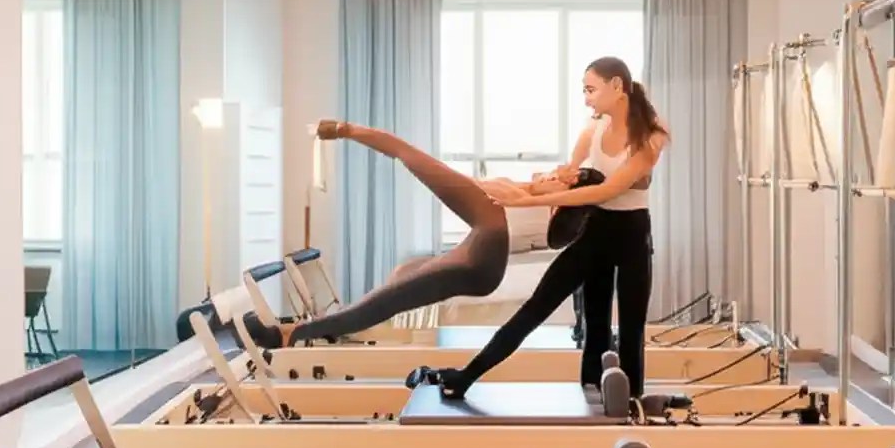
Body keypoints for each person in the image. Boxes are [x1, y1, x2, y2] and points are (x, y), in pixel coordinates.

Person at [423, 56, 668, 400]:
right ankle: (466, 377)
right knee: (545, 309)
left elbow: (606, 190)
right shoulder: (593, 130)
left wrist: (524, 202)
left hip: (632, 235)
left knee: (631, 329)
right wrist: (541, 182)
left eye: (591, 90)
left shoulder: (651, 137)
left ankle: (630, 404)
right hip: (596, 228)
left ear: (617, 86)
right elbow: (570, 175)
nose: (586, 99)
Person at [244, 121, 575, 349]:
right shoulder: (517, 188)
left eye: (561, 179)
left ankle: (288, 334)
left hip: (482, 259)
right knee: (403, 275)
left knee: (391, 298)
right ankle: (334, 327)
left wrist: (344, 130)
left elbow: (406, 153)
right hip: (478, 246)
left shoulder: (528, 203)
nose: (554, 173)